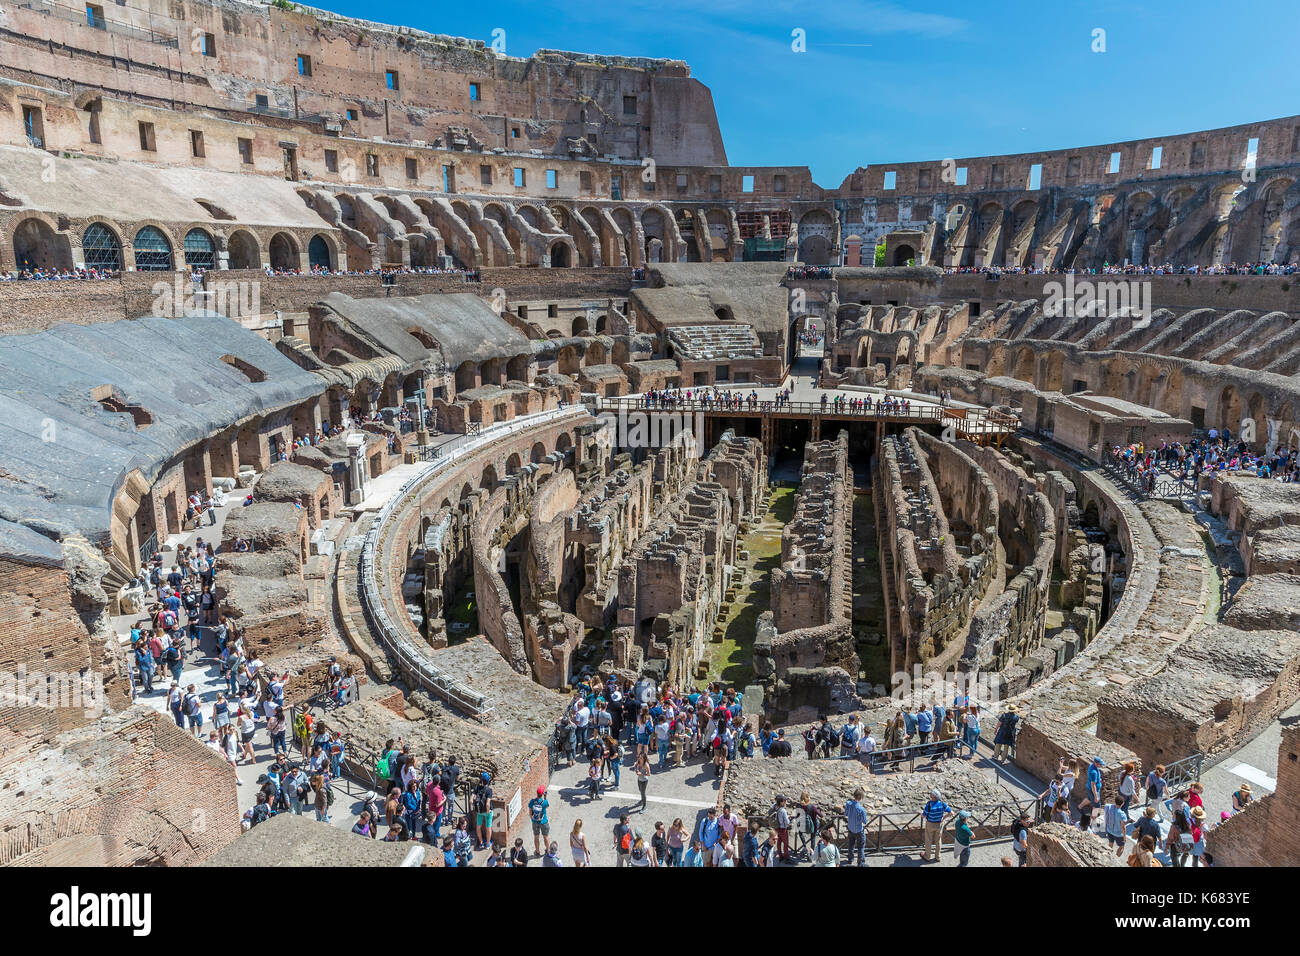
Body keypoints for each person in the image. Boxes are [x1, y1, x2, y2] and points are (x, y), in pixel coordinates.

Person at [921, 789, 953, 862]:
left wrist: (920, 813)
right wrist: (943, 818)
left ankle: (927, 856)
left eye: (931, 795)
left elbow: (924, 816)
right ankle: (938, 857)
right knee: (938, 841)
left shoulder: (929, 804)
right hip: (939, 824)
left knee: (928, 840)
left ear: (934, 797)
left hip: (930, 824)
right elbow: (951, 813)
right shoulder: (942, 804)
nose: (930, 795)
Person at [843, 787, 867, 867]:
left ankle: (850, 859)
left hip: (850, 828)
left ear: (854, 795)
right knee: (860, 848)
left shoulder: (848, 804)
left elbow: (845, 814)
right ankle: (860, 863)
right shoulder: (861, 809)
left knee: (851, 845)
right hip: (859, 831)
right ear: (861, 798)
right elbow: (864, 821)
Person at [471, 772, 493, 849]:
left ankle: (481, 843)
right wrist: (487, 811)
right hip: (487, 812)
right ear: (488, 780)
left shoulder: (477, 787)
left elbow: (471, 800)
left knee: (478, 827)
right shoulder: (489, 790)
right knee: (488, 827)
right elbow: (487, 804)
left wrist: (475, 807)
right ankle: (487, 844)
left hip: (479, 811)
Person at [527, 786, 549, 855]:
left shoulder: (532, 801)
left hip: (535, 822)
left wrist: (533, 820)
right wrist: (545, 797)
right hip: (543, 821)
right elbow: (547, 806)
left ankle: (537, 851)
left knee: (536, 837)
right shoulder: (545, 802)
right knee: (545, 836)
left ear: (536, 793)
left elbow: (530, 813)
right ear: (542, 794)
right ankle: (547, 850)